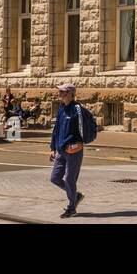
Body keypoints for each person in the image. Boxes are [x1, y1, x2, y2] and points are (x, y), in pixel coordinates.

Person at [49, 83, 93, 218]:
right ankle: (76, 195)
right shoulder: (61, 108)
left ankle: (71, 207)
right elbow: (56, 129)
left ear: (70, 94)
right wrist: (52, 148)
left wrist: (80, 142)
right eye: (60, 92)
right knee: (55, 178)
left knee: (69, 179)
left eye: (63, 92)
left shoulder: (77, 109)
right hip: (61, 149)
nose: (60, 94)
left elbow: (85, 128)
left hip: (74, 151)